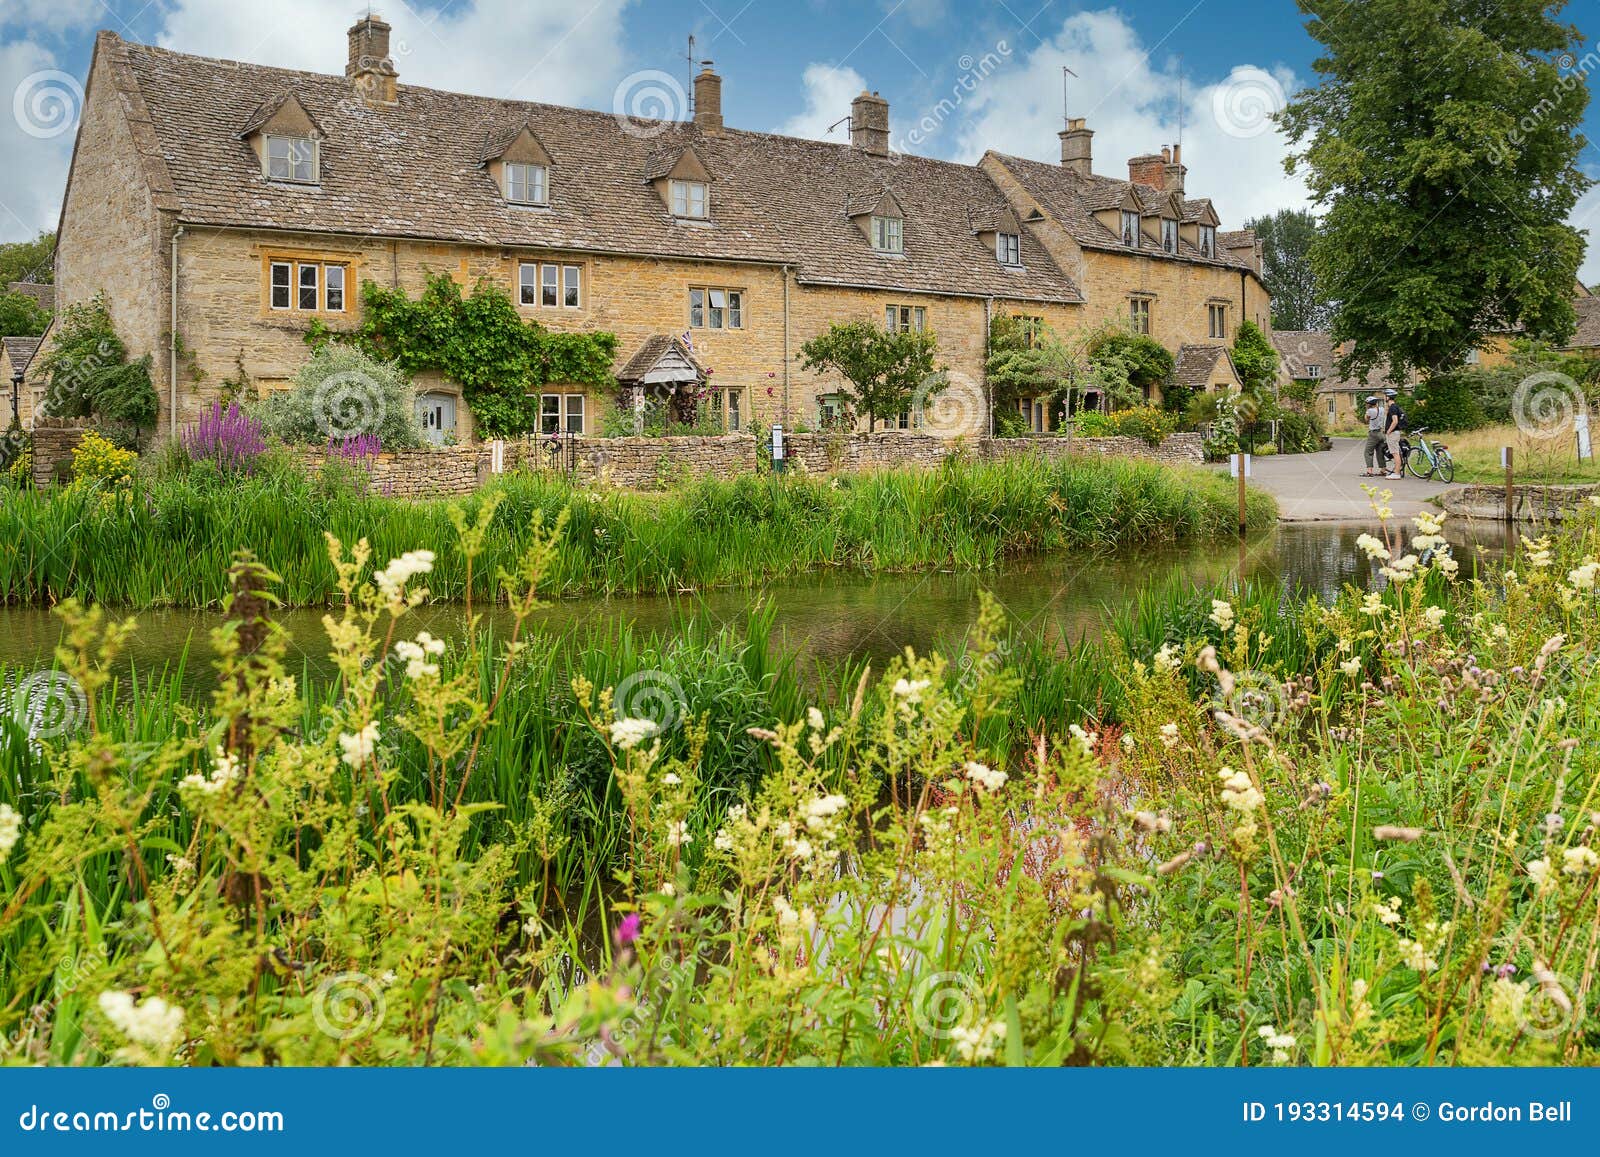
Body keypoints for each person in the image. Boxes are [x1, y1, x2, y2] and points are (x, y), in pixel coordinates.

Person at [1362, 394, 1386, 475]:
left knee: (1368, 452)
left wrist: (1367, 410)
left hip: (1373, 434)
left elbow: (1366, 420)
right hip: (1381, 433)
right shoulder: (1382, 409)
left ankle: (1369, 471)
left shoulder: (1370, 411)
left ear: (1369, 404)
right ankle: (1383, 470)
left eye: (1367, 403)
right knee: (1380, 452)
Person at [1384, 389, 1404, 479]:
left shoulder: (1392, 407)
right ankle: (1397, 471)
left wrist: (1388, 431)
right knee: (1395, 452)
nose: (1384, 397)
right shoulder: (1395, 407)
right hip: (1395, 433)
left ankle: (1396, 473)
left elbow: (1395, 421)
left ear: (1388, 397)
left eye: (1385, 396)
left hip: (1392, 433)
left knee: (1395, 453)